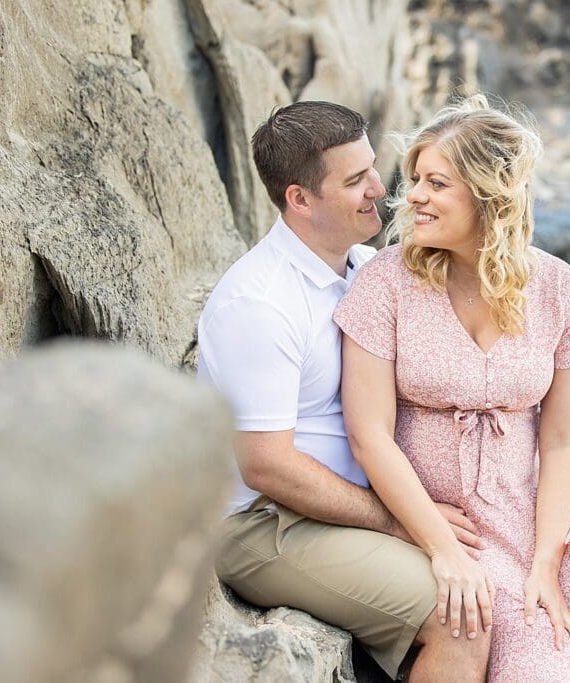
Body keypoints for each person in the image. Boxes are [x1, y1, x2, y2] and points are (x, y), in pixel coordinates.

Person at [333, 95, 570, 681]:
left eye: (436, 183)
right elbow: (369, 436)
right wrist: (440, 545)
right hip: (434, 522)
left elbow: (565, 441)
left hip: (532, 522)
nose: (412, 196)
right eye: (415, 179)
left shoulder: (560, 291)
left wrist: (548, 559)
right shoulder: (386, 282)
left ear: (490, 194)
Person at [197, 101, 491, 681]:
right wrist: (399, 520)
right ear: (299, 200)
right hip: (264, 523)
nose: (381, 190)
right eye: (356, 180)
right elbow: (268, 468)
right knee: (462, 618)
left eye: (373, 169)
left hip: (347, 505)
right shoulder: (259, 305)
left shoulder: (363, 266)